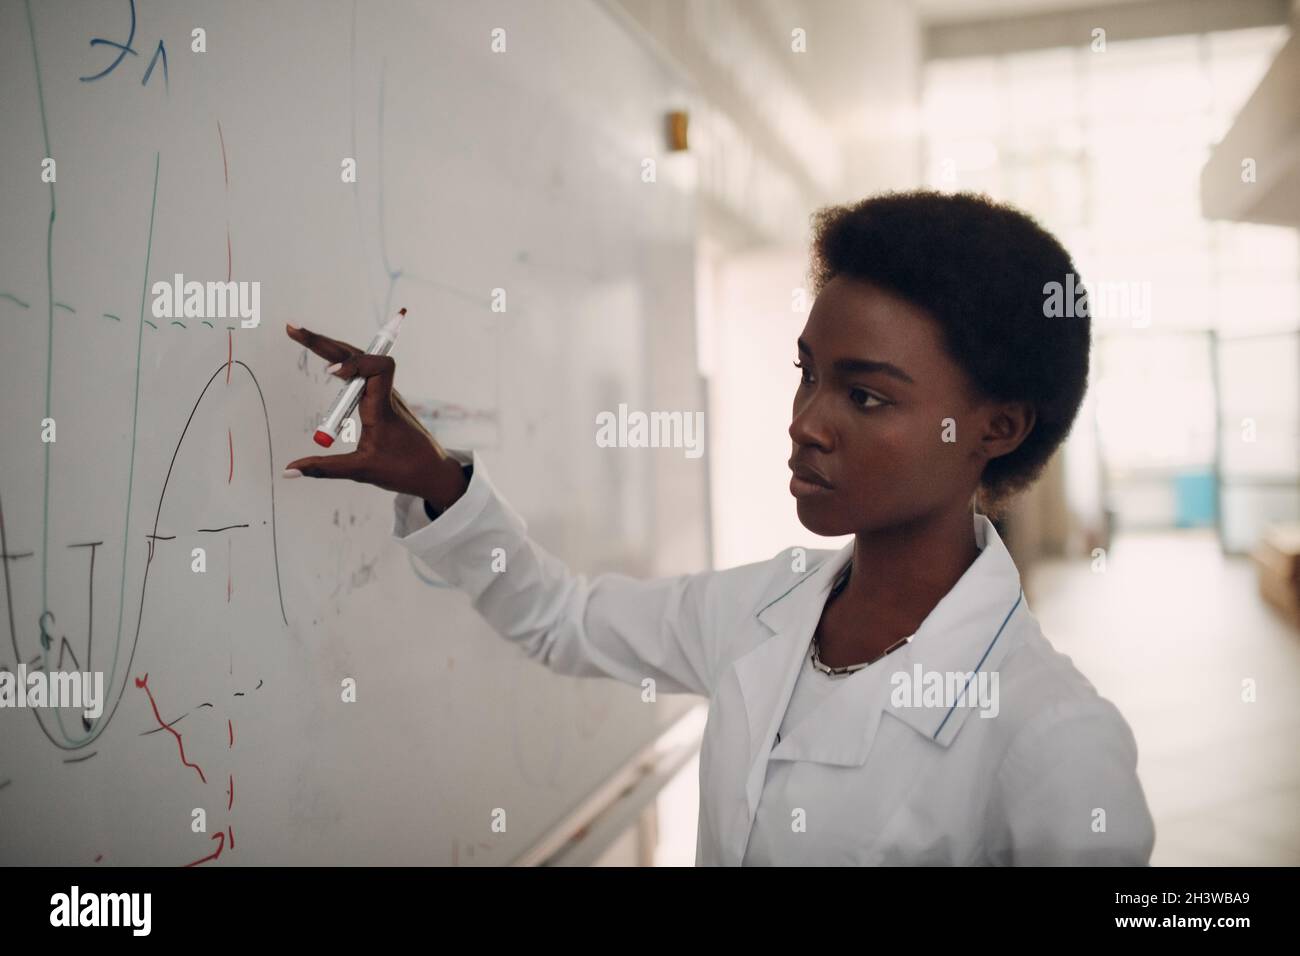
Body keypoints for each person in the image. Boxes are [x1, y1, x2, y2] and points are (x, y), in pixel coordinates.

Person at [283, 189, 1155, 866]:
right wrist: (437, 478)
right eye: (806, 374)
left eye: (866, 395)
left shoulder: (1057, 738)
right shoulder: (765, 609)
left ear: (995, 429)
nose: (806, 421)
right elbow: (565, 621)